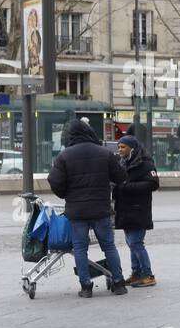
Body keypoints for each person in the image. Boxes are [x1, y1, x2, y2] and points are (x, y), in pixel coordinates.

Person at [47, 118, 128, 297]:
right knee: (108, 246)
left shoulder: (64, 156)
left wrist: (66, 194)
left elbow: (54, 181)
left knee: (80, 248)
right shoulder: (104, 153)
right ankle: (119, 282)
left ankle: (86, 286)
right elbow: (120, 176)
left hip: (77, 211)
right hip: (101, 208)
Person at [114, 134, 160, 287]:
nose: (120, 150)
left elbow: (153, 184)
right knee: (131, 242)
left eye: (123, 147)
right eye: (119, 147)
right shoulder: (122, 162)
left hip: (138, 209)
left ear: (132, 148)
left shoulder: (145, 163)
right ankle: (136, 273)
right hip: (126, 209)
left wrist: (126, 187)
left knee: (135, 242)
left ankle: (148, 274)